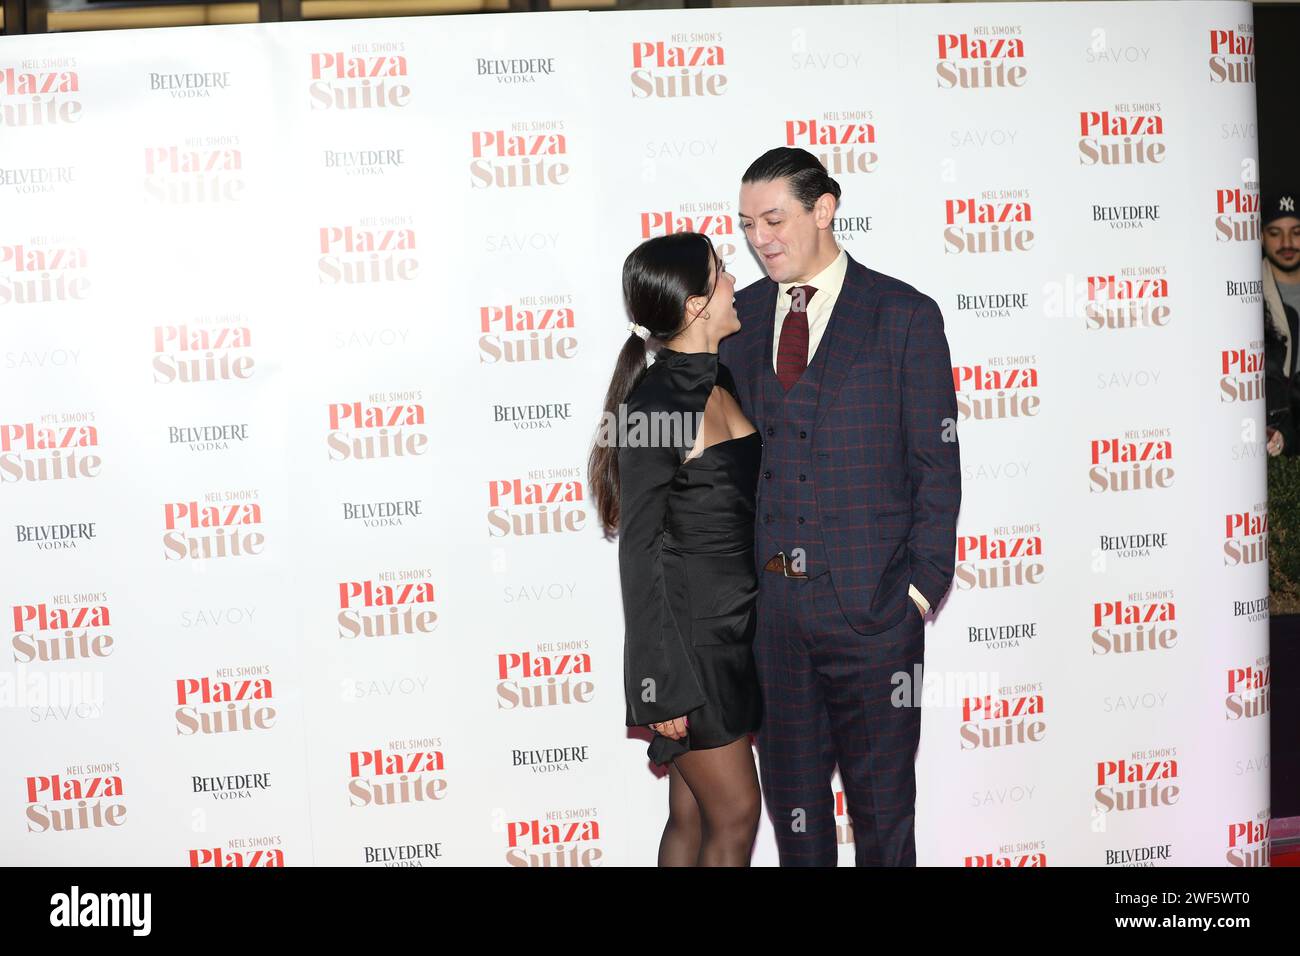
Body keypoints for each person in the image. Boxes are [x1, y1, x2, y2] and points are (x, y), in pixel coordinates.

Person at [719, 147, 961, 866]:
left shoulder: (902, 315)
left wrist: (918, 591)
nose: (760, 238)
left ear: (824, 210)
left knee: (884, 819)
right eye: (747, 224)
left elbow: (936, 466)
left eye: (774, 218)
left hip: (874, 616)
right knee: (796, 823)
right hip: (775, 625)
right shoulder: (743, 317)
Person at [588, 232, 764, 866]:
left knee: (690, 816)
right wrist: (658, 685)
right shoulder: (655, 404)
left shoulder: (722, 380)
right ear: (694, 305)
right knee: (737, 814)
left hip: (733, 633)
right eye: (720, 275)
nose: (734, 283)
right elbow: (638, 553)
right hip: (688, 652)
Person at [1262, 188, 1300, 457]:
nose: (1287, 242)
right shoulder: (1243, 299)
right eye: (1276, 233)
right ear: (1261, 236)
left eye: (1296, 232)